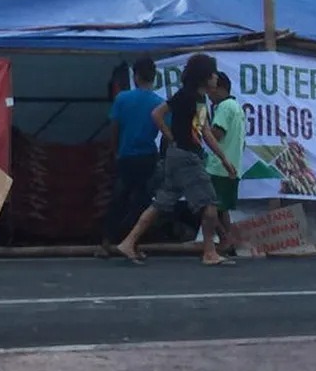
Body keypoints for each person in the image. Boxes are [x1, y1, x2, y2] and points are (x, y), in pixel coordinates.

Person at [116, 53, 239, 266]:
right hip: (188, 157)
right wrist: (224, 159)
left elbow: (157, 114)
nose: (215, 78)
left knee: (160, 203)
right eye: (212, 74)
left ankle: (128, 242)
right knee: (209, 203)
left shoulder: (184, 95)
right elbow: (205, 132)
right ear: (203, 77)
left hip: (174, 155)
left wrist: (170, 137)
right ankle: (210, 251)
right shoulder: (198, 100)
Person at [99, 57, 165, 258]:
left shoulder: (122, 99)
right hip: (147, 156)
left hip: (126, 155)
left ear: (135, 76)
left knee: (118, 200)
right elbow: (165, 133)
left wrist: (114, 150)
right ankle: (133, 243)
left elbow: (115, 128)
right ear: (154, 78)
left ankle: (106, 243)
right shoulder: (159, 103)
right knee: (143, 202)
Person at [207, 70, 245, 253]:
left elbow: (217, 133)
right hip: (231, 165)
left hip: (219, 166)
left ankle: (225, 238)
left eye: (211, 89)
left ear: (220, 88)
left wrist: (201, 128)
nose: (208, 94)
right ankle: (227, 241)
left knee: (209, 206)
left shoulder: (224, 107)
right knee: (222, 209)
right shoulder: (236, 107)